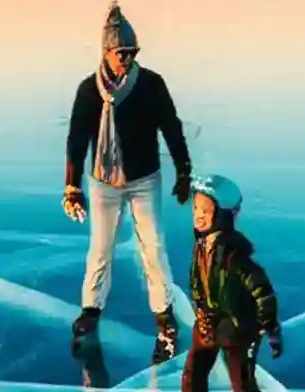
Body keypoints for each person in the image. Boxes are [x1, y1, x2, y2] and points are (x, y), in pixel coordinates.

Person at [63, 1, 193, 363]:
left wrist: (183, 170)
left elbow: (171, 127)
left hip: (143, 180)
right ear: (106, 51)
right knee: (100, 250)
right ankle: (90, 311)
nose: (128, 58)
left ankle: (164, 316)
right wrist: (72, 186)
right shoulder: (90, 90)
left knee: (153, 247)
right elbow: (76, 140)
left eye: (133, 52)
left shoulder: (150, 85)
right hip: (104, 182)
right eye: (122, 52)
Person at [166, 175, 283, 392]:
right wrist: (201, 311)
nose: (199, 216)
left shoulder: (235, 257)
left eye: (206, 211)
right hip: (208, 322)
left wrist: (271, 327)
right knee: (194, 370)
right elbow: (199, 283)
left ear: (223, 216)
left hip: (236, 328)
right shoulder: (201, 245)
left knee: (241, 384)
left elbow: (262, 290)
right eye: (196, 209)